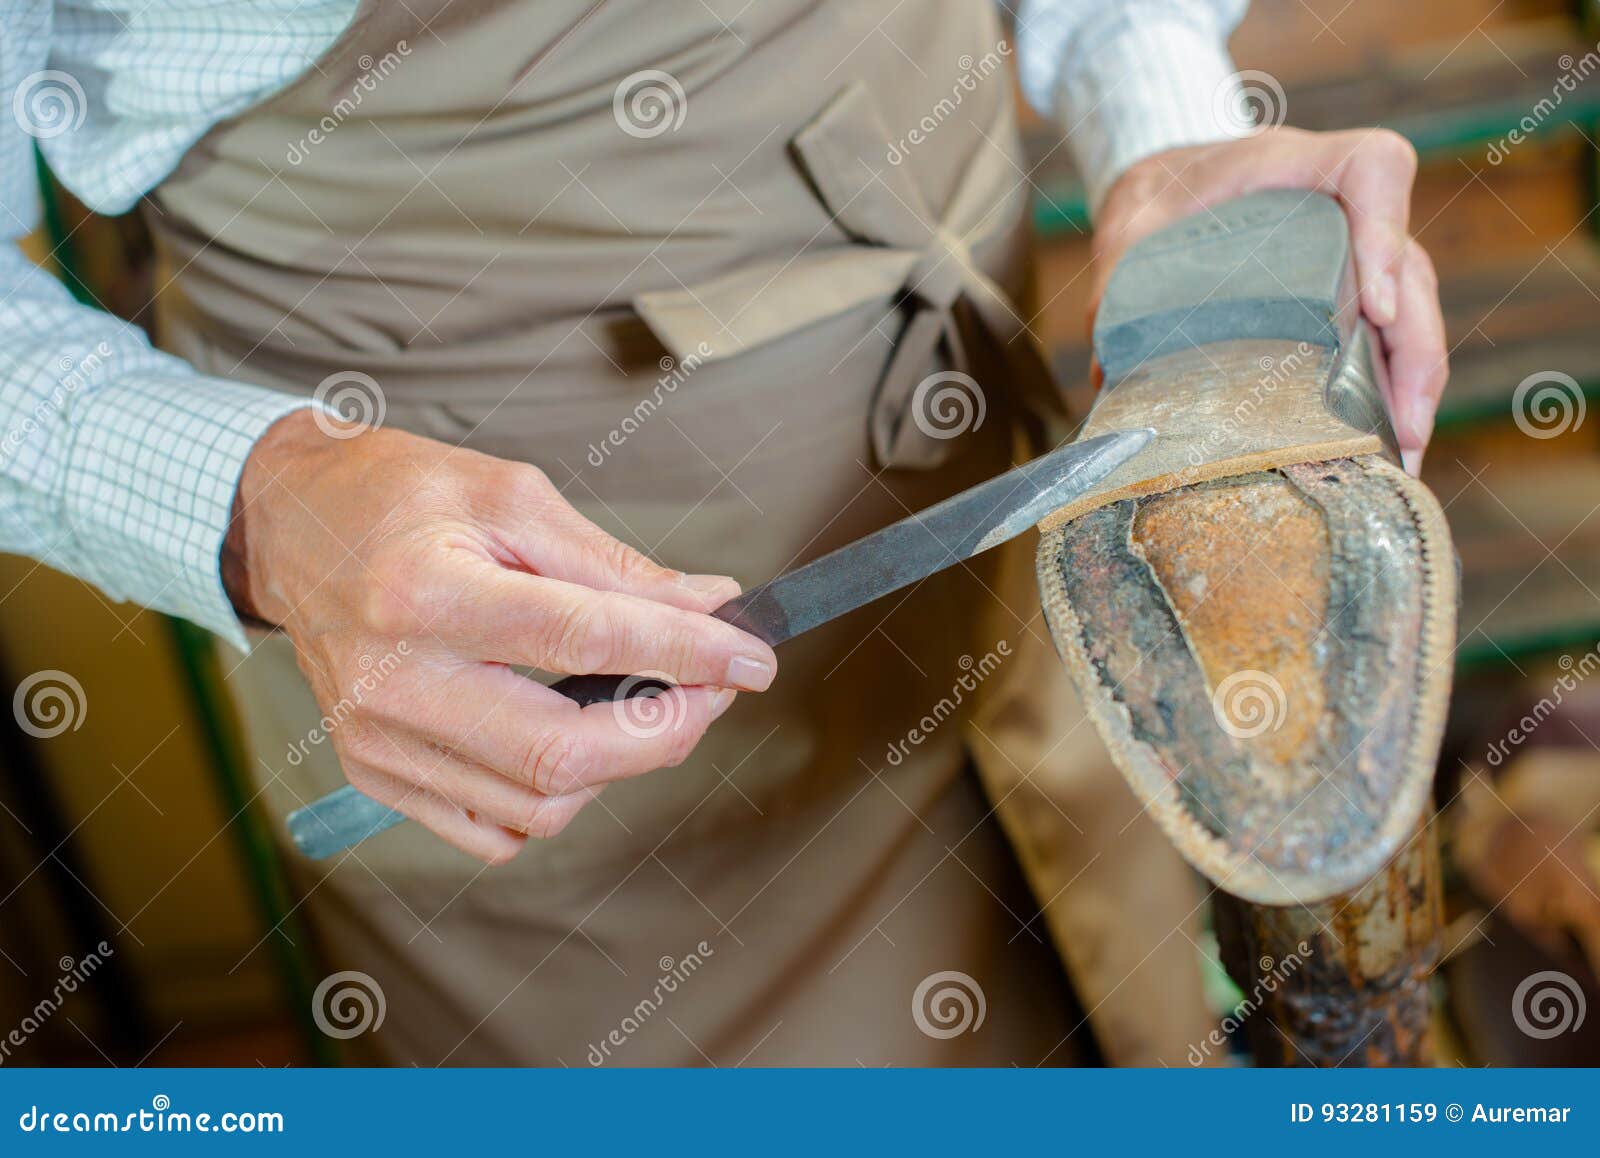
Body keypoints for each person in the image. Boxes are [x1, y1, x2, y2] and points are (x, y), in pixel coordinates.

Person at [0, 0, 1446, 1065]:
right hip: (547, 710)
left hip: (1008, 504)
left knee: (1130, 1007)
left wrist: (1166, 127)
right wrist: (263, 508)